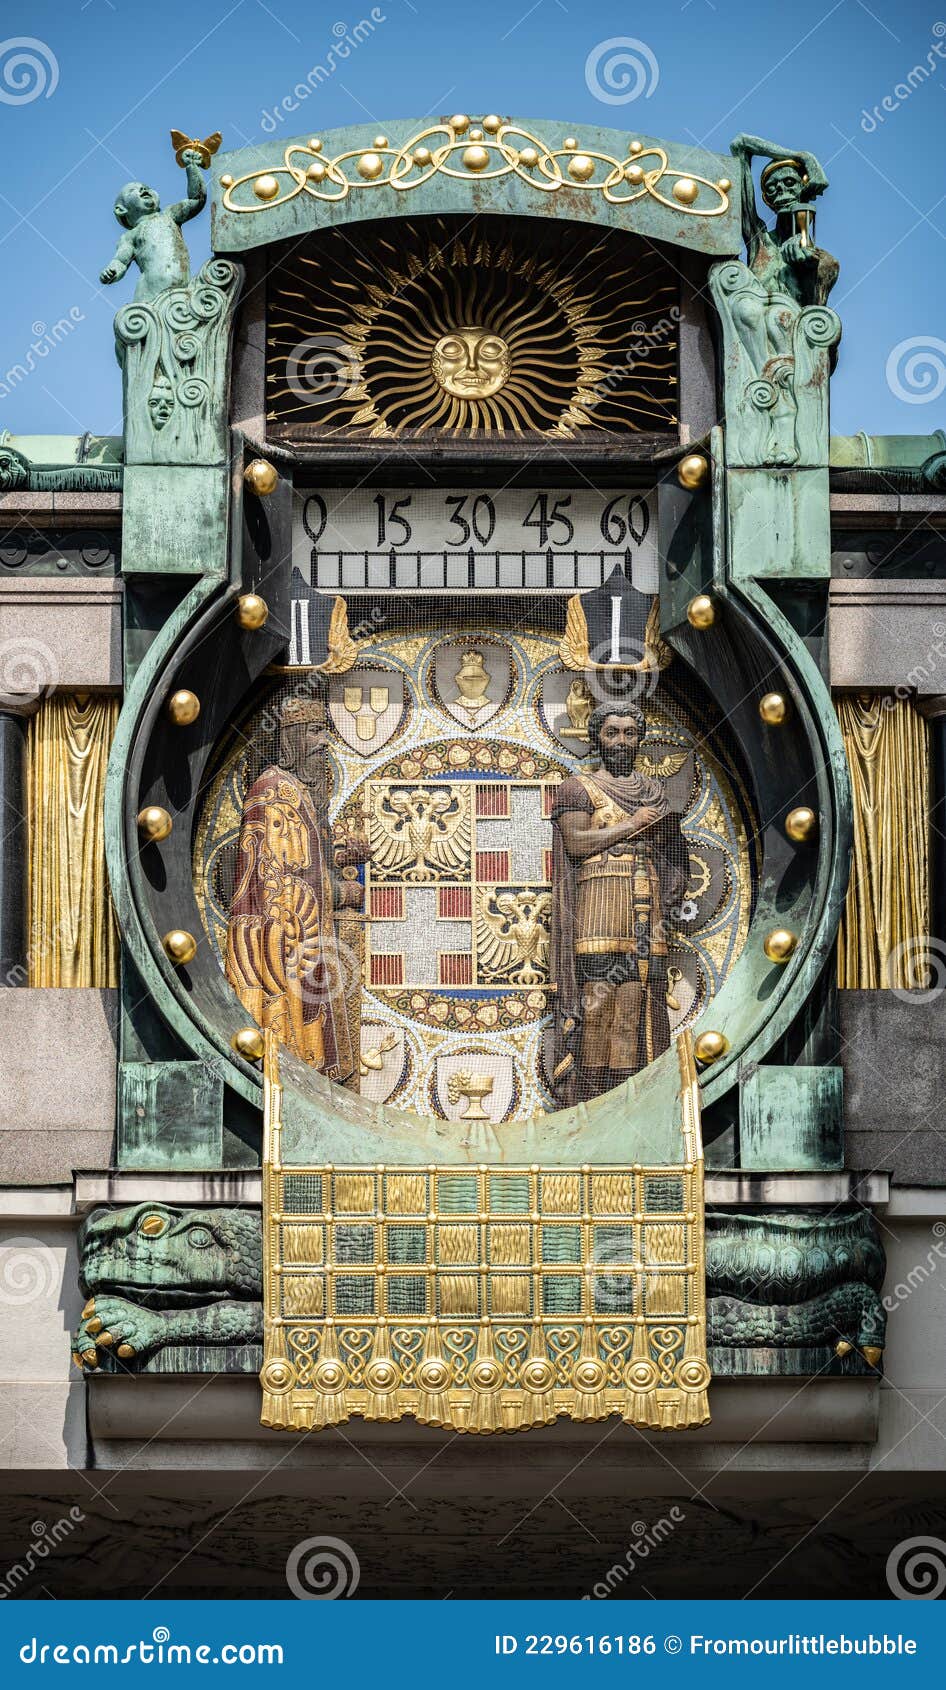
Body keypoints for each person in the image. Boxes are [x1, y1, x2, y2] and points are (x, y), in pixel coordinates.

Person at [549, 700, 688, 1103]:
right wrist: (630, 825)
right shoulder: (579, 788)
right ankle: (590, 1098)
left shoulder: (653, 791)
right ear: (597, 738)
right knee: (599, 999)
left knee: (635, 1001)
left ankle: (630, 1097)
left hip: (646, 900)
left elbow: (669, 849)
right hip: (598, 903)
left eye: (629, 732)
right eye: (612, 732)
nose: (621, 741)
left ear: (640, 739)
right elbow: (575, 843)